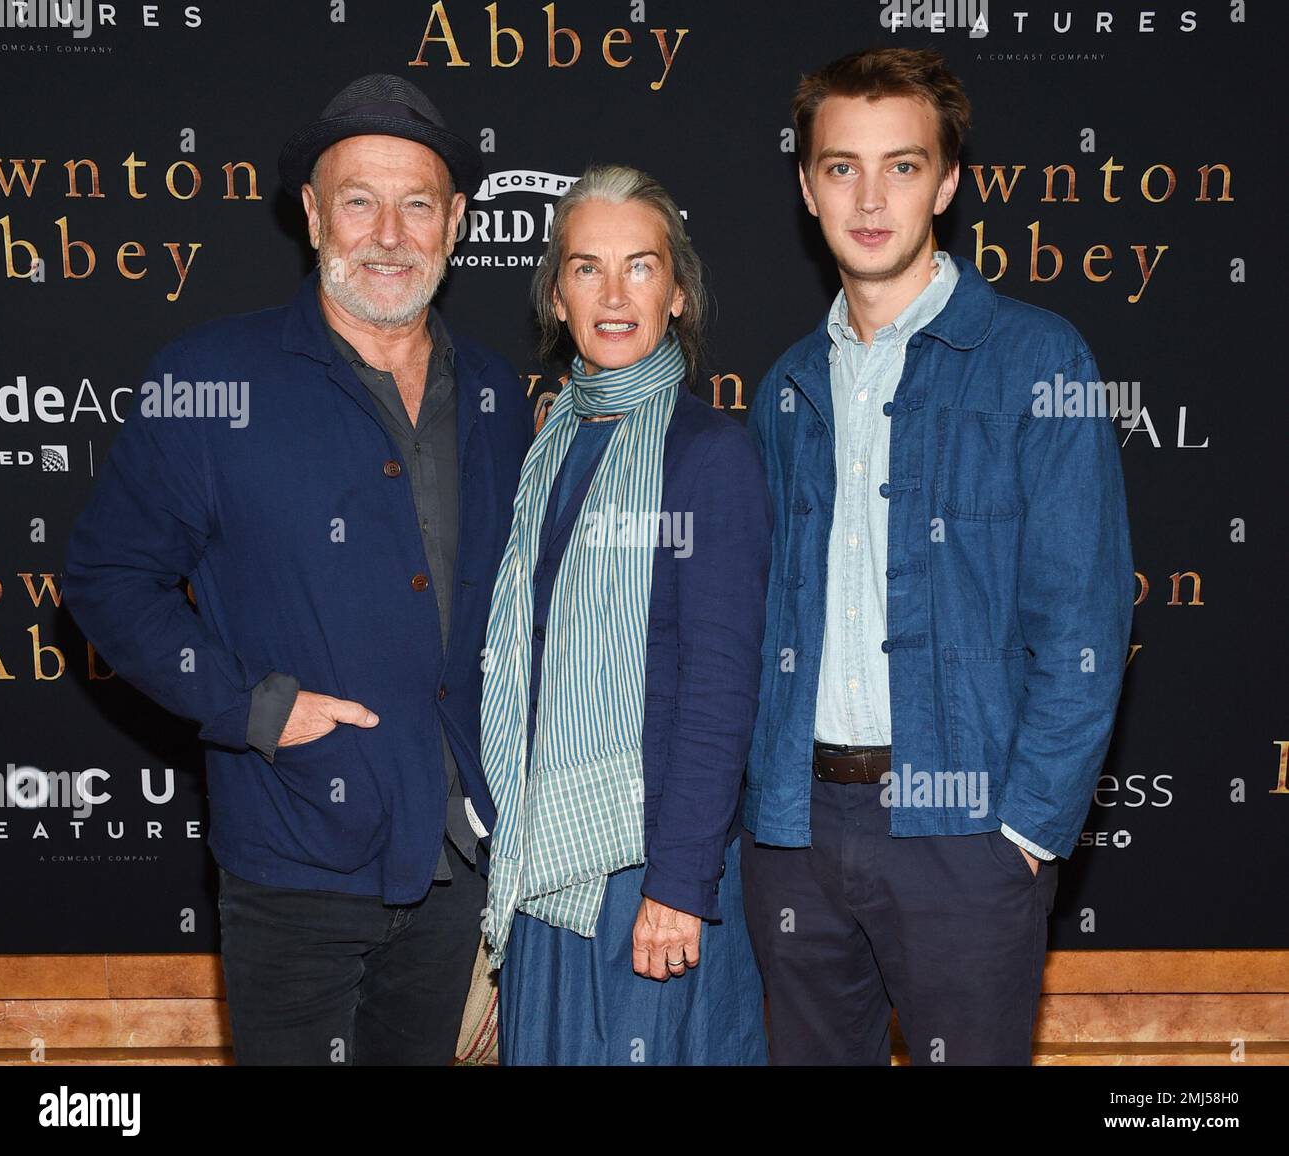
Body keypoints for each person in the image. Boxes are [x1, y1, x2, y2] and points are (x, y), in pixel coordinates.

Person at [63, 74, 533, 1065]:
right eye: (358, 199)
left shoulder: (494, 388)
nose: (388, 233)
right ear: (313, 214)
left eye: (417, 203)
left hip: (463, 858)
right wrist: (260, 708)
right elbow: (108, 579)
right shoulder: (209, 378)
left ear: (454, 222)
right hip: (296, 851)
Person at [741, 47, 1134, 1065]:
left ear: (948, 182)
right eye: (841, 166)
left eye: (902, 165)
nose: (869, 197)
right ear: (805, 185)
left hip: (965, 830)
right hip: (795, 828)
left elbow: (1084, 619)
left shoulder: (1038, 359)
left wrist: (1024, 837)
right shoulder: (785, 389)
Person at [479, 165, 772, 1065]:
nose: (613, 295)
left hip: (650, 873)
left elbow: (722, 687)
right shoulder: (552, 447)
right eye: (586, 268)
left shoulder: (708, 454)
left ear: (677, 293)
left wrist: (680, 884)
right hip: (550, 869)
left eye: (640, 268)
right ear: (557, 297)